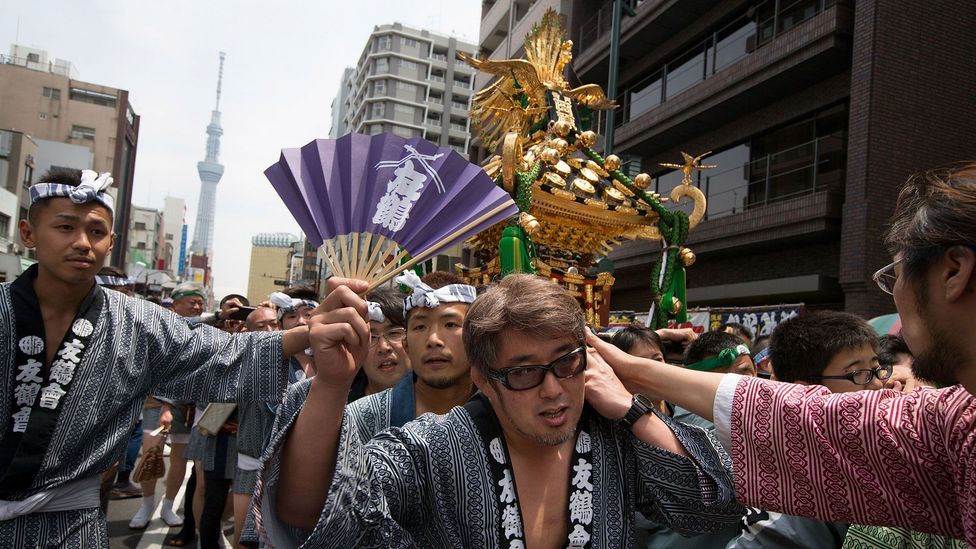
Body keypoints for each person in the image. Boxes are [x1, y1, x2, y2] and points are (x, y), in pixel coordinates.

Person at [585, 163, 976, 545]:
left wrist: (634, 385)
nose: (882, 386)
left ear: (954, 271)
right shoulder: (959, 420)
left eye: (895, 273)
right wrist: (633, 380)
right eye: (858, 373)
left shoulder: (959, 421)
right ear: (804, 385)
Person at [256, 274, 743, 547]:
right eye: (525, 372)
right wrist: (331, 386)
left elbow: (709, 506)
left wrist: (632, 409)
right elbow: (312, 518)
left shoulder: (611, 437)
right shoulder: (434, 446)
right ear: (485, 381)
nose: (553, 390)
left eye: (566, 362)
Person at [0, 167, 315, 547]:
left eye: (96, 232)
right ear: (28, 233)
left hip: (72, 528)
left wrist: (314, 332)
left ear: (111, 240)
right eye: (65, 227)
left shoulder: (140, 323)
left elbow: (224, 355)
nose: (83, 242)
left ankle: (173, 513)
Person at [130, 283, 211, 530]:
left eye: (200, 302)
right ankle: (146, 505)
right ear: (174, 304)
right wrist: (165, 404)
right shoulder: (159, 327)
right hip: (155, 401)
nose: (197, 306)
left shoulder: (206, 331)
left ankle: (167, 505)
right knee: (151, 454)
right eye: (191, 301)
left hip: (187, 405)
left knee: (179, 459)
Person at [347, 286, 411, 402]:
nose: (383, 347)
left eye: (394, 333)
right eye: (371, 337)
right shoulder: (338, 410)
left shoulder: (445, 410)